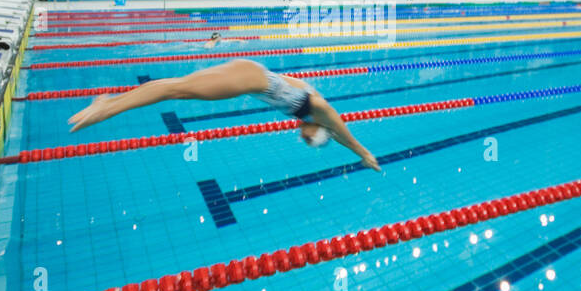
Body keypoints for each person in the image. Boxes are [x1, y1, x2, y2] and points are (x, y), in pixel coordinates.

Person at [68, 59, 380, 170]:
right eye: (310, 140)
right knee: (176, 89)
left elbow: (335, 134)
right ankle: (107, 106)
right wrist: (364, 153)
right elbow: (344, 133)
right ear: (319, 130)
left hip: (251, 77)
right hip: (251, 79)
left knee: (180, 89)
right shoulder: (320, 110)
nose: (304, 137)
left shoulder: (311, 111)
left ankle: (110, 103)